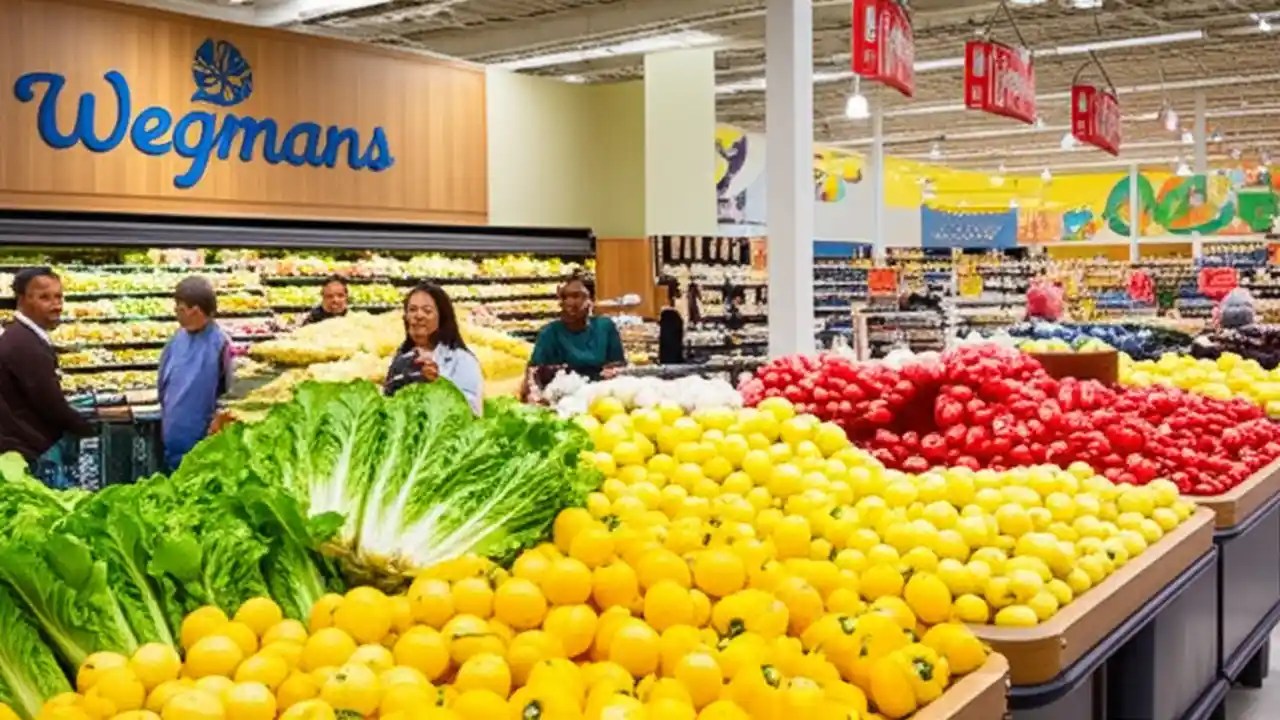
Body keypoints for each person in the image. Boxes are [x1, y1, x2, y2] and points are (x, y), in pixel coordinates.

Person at [0, 267, 94, 477]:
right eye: (45, 298)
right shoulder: (24, 344)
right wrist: (85, 427)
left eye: (59, 297)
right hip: (30, 451)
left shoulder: (21, 336)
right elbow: (49, 403)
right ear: (22, 299)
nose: (56, 305)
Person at [158, 276, 233, 471]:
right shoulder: (175, 341)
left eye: (180, 308)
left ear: (196, 310)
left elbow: (230, 397)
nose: (176, 313)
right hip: (172, 444)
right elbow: (162, 385)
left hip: (203, 451)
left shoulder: (221, 346)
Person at [384, 283, 484, 415]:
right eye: (412, 310)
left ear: (442, 317)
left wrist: (438, 383)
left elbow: (473, 411)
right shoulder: (402, 358)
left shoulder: (462, 360)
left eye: (427, 311)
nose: (419, 316)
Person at [528, 275, 626, 386]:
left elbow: (618, 365)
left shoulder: (605, 327)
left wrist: (613, 373)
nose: (569, 303)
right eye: (564, 297)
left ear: (591, 300)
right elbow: (533, 371)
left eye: (576, 296)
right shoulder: (549, 333)